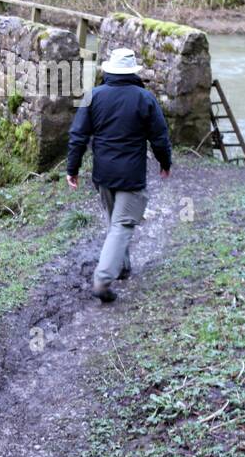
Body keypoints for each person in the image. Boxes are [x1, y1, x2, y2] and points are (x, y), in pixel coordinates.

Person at [66, 47, 172, 302]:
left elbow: (78, 135)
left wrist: (73, 168)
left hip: (103, 174)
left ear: (109, 70)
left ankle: (122, 266)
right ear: (132, 71)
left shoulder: (93, 96)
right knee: (122, 225)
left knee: (115, 221)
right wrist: (164, 161)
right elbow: (159, 137)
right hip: (131, 175)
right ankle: (102, 280)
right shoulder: (144, 98)